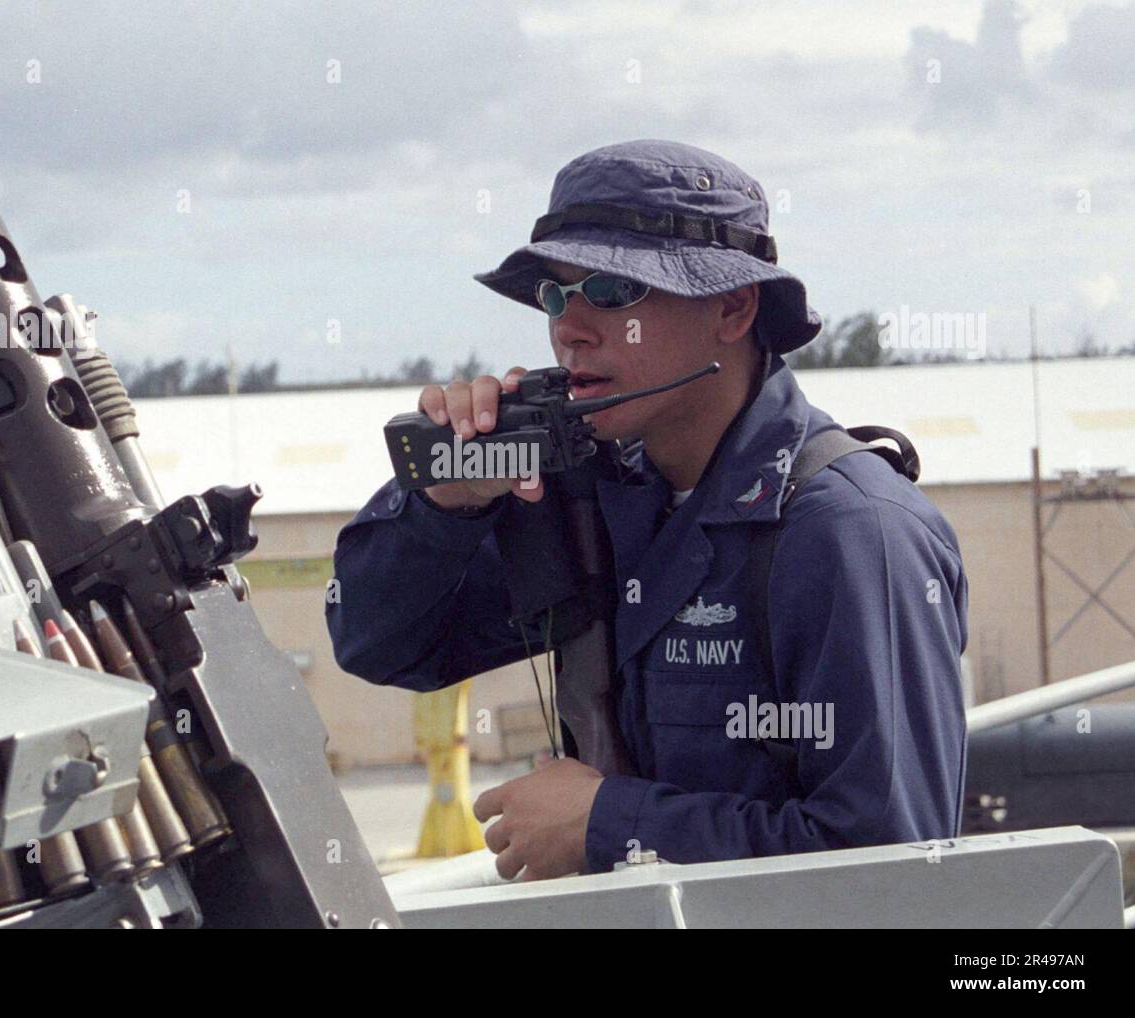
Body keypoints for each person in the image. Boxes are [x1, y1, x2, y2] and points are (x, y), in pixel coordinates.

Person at [326, 140, 968, 880]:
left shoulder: (851, 534)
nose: (571, 327)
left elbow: (897, 865)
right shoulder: (587, 499)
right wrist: (446, 502)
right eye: (554, 296)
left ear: (732, 306)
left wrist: (608, 825)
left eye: (610, 292)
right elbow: (379, 643)